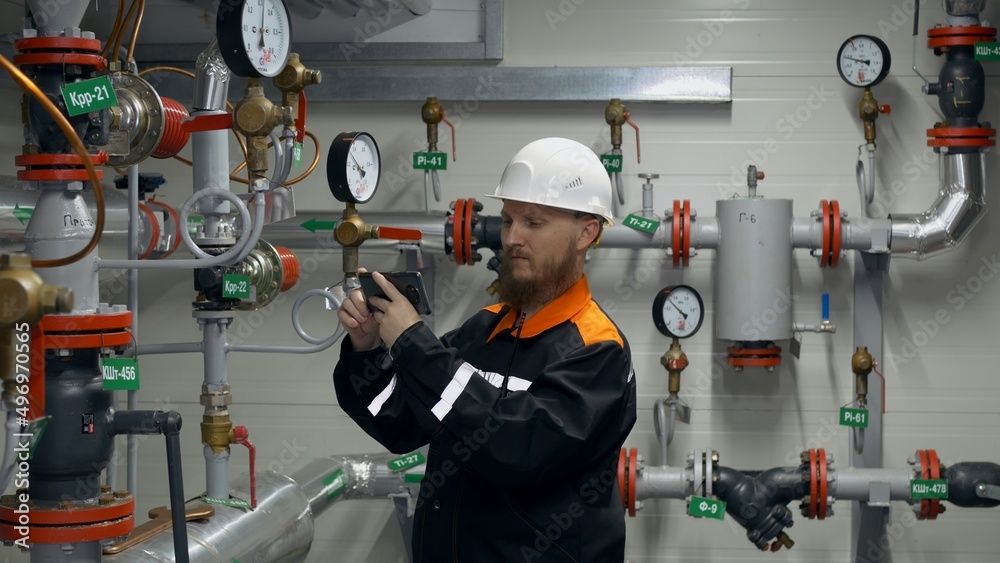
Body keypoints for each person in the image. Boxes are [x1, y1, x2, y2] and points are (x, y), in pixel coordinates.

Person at [334, 137, 637, 562]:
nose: (512, 237)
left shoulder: (597, 350)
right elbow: (399, 423)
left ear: (586, 231)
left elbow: (517, 449)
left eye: (533, 222)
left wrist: (413, 343)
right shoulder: (486, 328)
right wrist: (368, 351)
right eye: (508, 219)